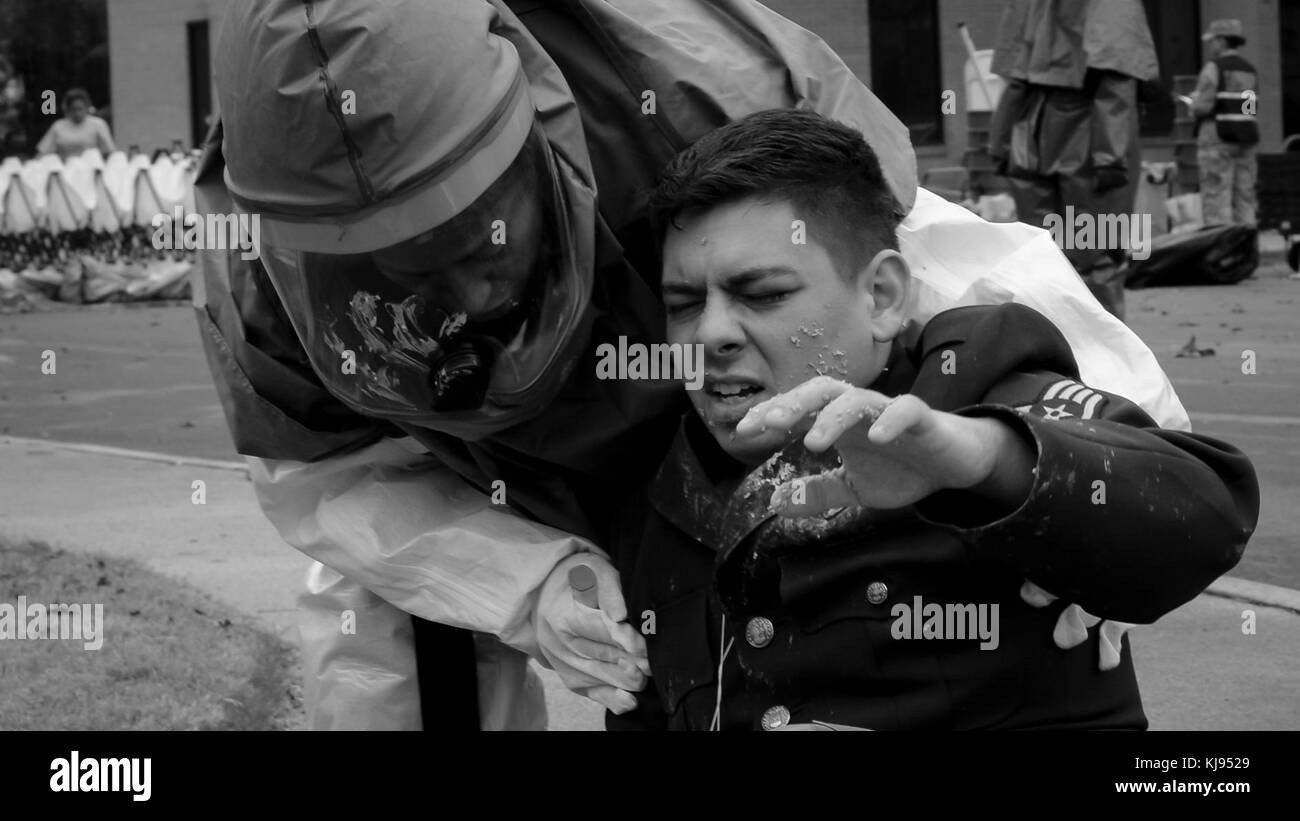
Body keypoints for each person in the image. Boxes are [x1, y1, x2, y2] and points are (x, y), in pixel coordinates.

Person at [198, 0, 1192, 730]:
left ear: (527, 114)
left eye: (456, 231)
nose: (440, 294)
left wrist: (1079, 492)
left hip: (702, 432)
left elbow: (922, 265)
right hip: (462, 472)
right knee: (391, 682)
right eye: (376, 261)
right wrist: (517, 577)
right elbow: (331, 478)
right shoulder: (247, 289)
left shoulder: (694, 90)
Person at [611, 109, 1258, 730]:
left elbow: (1207, 516)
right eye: (685, 302)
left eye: (764, 293)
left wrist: (981, 460)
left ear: (883, 296)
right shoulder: (652, 487)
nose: (713, 332)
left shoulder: (982, 395)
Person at [988, 0, 1159, 322]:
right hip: (1090, 139)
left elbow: (1014, 80)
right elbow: (1117, 81)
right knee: (1094, 253)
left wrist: (1000, 144)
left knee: (1042, 252)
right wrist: (1111, 157)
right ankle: (1099, 352)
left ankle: (1049, 350)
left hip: (1033, 134)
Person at [1190, 19, 1259, 228]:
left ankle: (1222, 255)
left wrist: (1193, 101)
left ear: (1221, 41)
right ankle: (1246, 250)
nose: (1210, 46)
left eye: (1212, 41)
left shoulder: (1214, 68)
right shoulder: (1249, 70)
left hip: (1216, 140)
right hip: (1245, 139)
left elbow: (1202, 106)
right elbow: (1250, 110)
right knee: (1245, 199)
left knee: (1215, 200)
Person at [35, 87, 115, 161]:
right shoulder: (58, 126)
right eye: (74, 109)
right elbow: (44, 152)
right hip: (66, 170)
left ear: (87, 107)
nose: (77, 113)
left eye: (80, 109)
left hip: (92, 169)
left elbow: (109, 151)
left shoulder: (98, 124)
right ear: (68, 109)